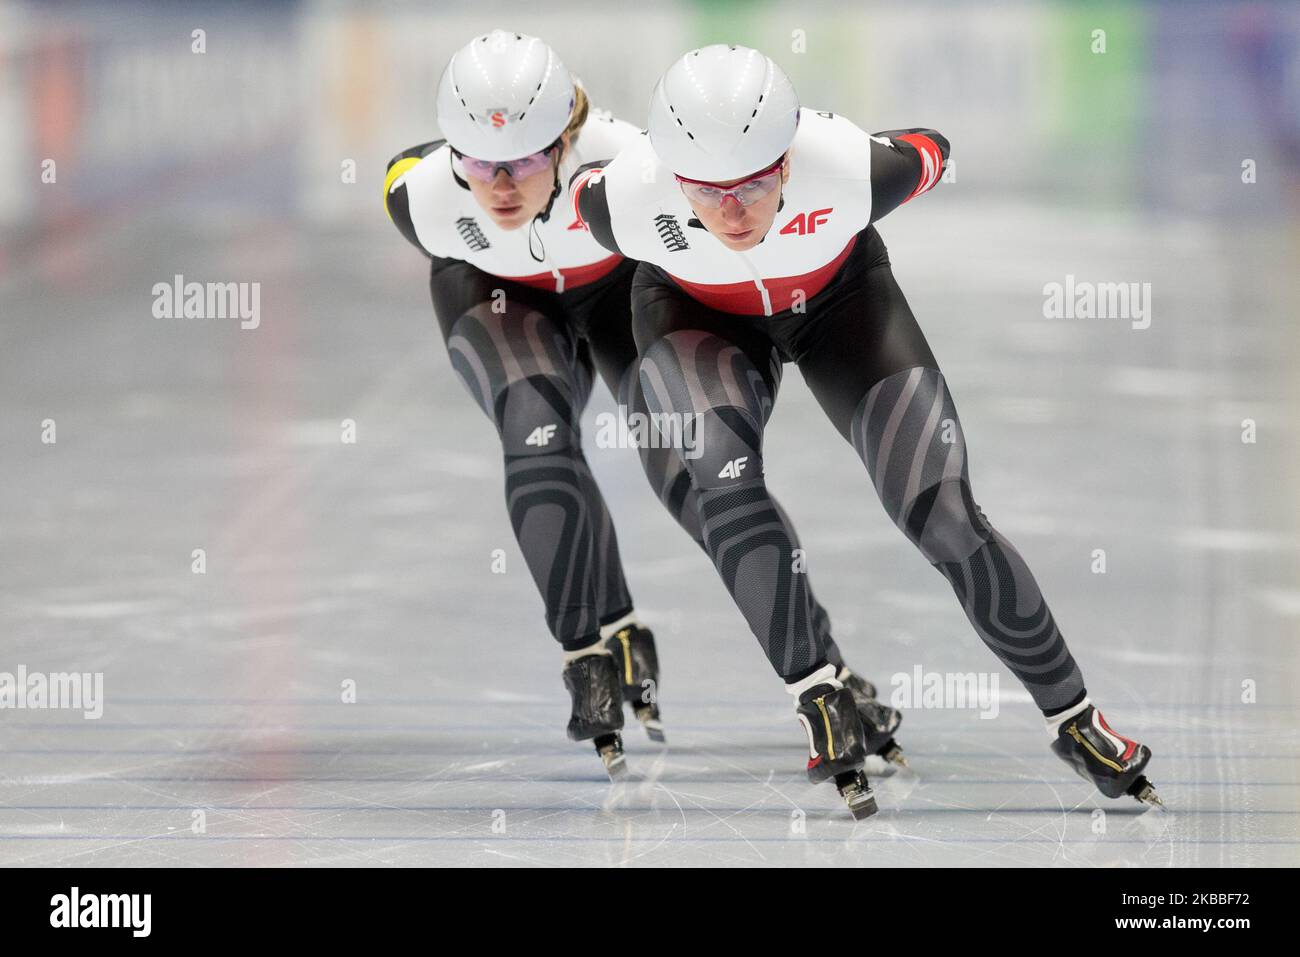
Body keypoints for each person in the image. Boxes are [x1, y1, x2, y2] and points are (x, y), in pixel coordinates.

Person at [571, 44, 1160, 816]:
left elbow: (932, 149)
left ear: (787, 162)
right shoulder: (623, 199)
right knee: (720, 478)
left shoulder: (851, 166)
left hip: (842, 307)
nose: (732, 212)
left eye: (751, 184)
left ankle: (1075, 717)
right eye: (706, 193)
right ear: (671, 176)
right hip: (694, 313)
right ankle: (817, 691)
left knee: (944, 513)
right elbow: (566, 195)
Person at [384, 32, 902, 778]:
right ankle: (586, 654)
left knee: (693, 477)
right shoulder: (424, 200)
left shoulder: (622, 167)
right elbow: (417, 168)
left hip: (614, 291)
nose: (501, 185)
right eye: (478, 164)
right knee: (536, 434)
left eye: (528, 159)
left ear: (567, 139)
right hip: (498, 294)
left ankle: (826, 670)